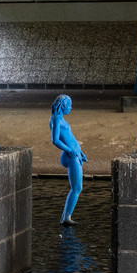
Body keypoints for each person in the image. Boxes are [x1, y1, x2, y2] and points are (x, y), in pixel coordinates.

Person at [50, 94, 87, 224]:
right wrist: (71, 151)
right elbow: (55, 140)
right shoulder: (56, 119)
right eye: (69, 105)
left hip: (74, 154)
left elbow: (70, 137)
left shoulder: (60, 119)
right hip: (70, 155)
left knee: (77, 188)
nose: (71, 108)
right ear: (63, 105)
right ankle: (66, 218)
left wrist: (80, 152)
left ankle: (65, 217)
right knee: (77, 188)